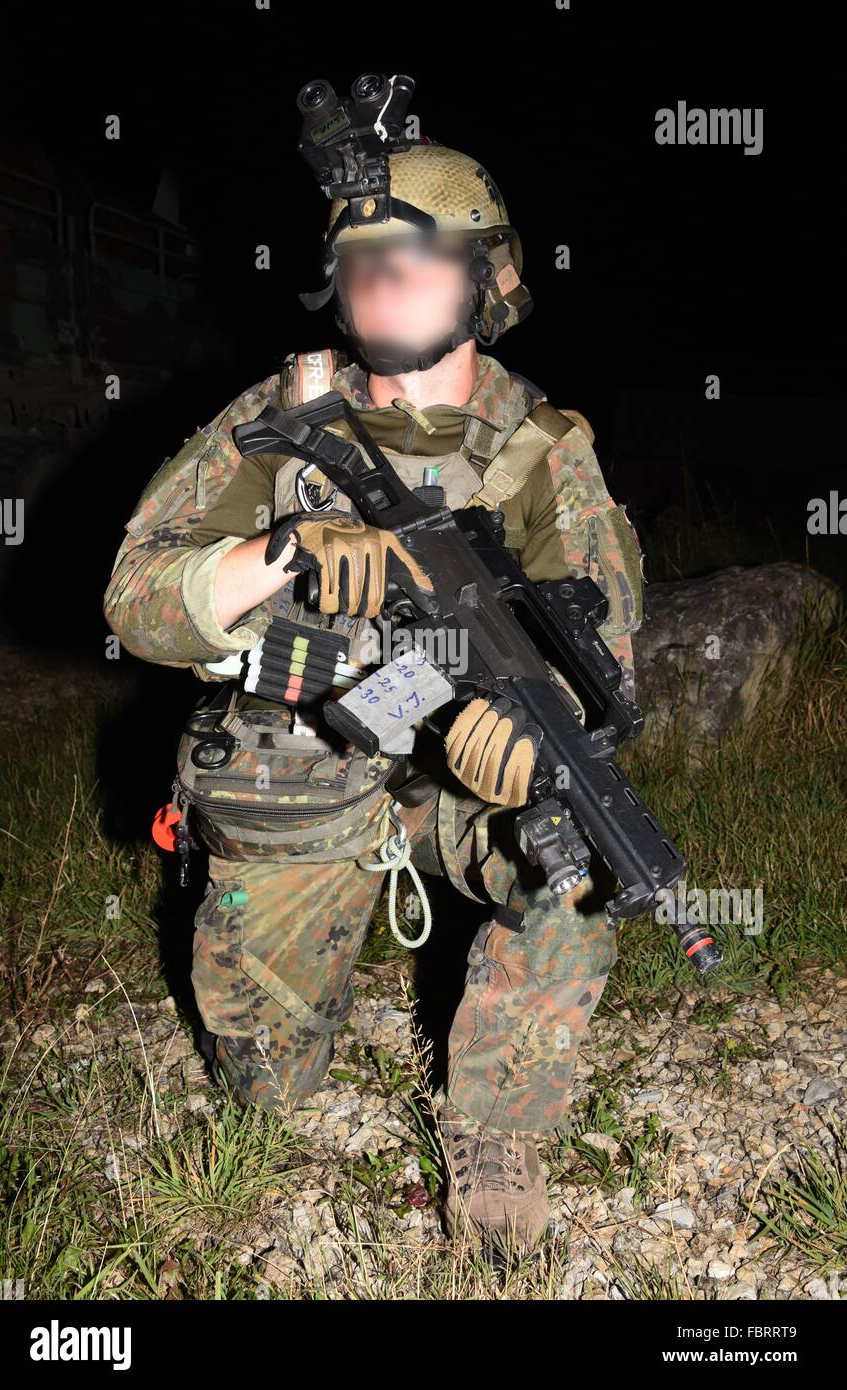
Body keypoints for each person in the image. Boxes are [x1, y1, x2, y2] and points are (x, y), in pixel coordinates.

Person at [103, 136, 645, 1257]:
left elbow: (607, 661)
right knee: (265, 1094)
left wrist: (523, 737)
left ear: (486, 279)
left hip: (456, 779)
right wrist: (283, 549)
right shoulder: (280, 418)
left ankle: (497, 1128)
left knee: (578, 844)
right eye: (360, 261)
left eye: (416, 257)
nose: (382, 281)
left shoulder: (543, 452)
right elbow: (134, 602)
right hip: (301, 775)